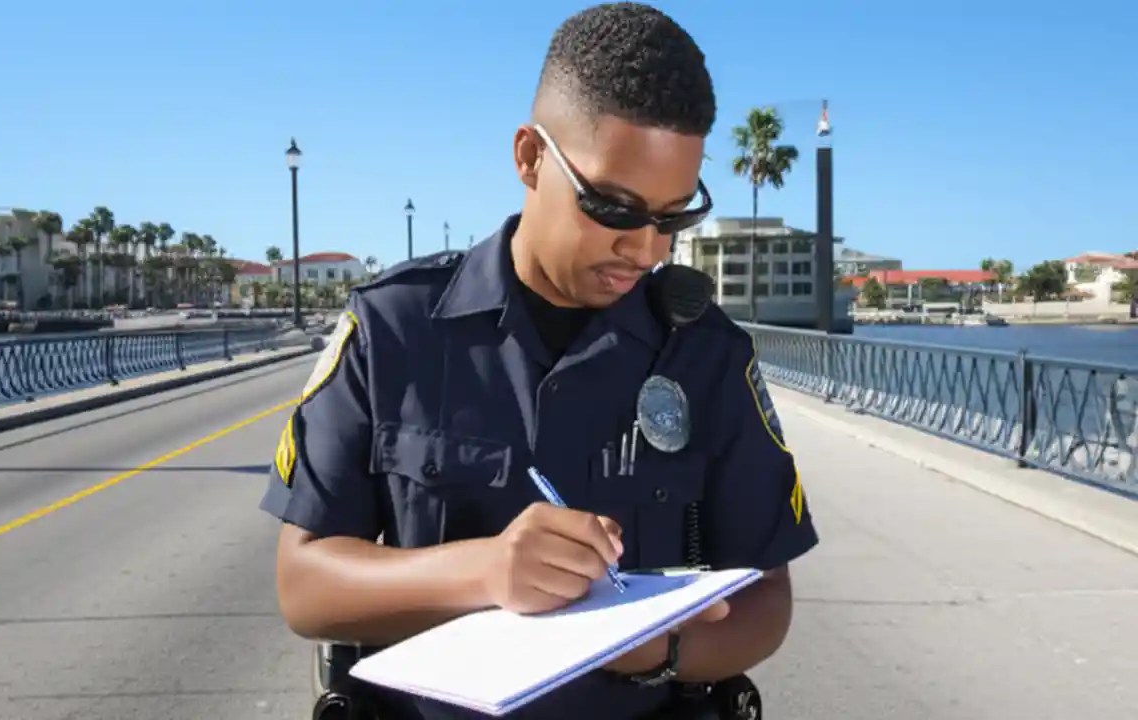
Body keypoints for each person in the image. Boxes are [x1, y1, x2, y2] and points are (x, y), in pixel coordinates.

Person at [260, 3, 819, 718]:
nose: (647, 250)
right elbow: (304, 587)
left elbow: (766, 597)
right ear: (529, 157)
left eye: (674, 217)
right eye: (614, 209)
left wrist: (657, 651)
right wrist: (483, 571)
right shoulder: (393, 329)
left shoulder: (708, 356)